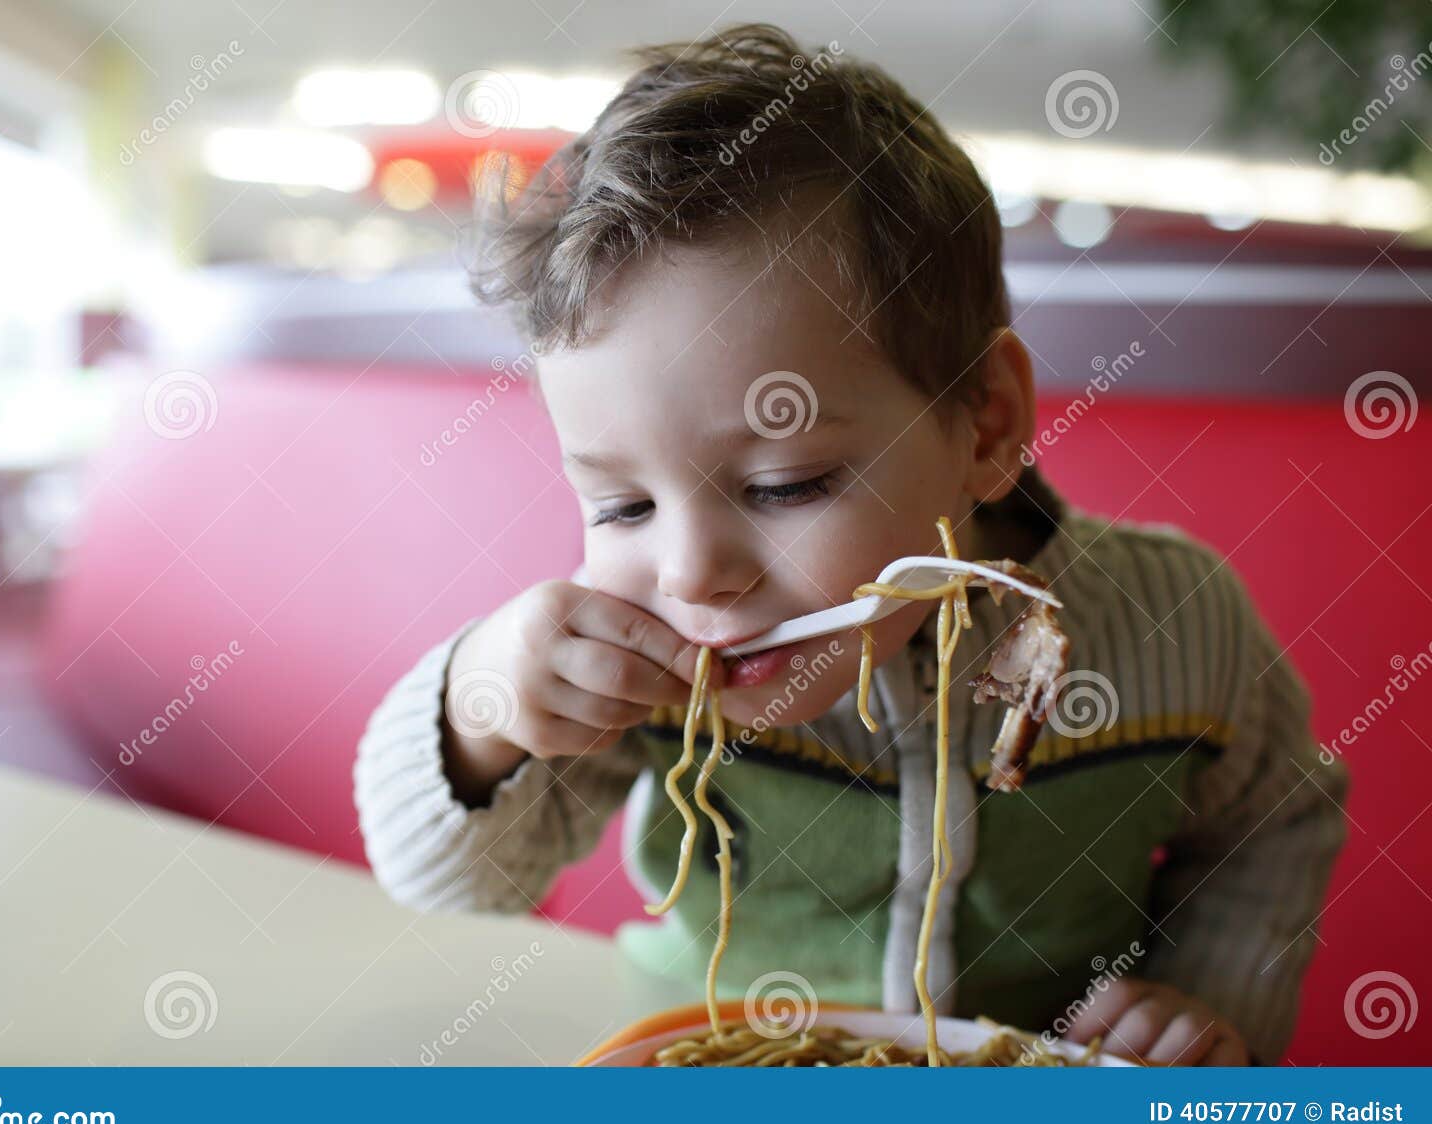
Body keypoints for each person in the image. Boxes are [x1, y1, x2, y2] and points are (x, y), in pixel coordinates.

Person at [354, 23, 1348, 1066]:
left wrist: (1198, 996)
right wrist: (485, 699)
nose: (692, 575)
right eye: (623, 507)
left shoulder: (1172, 625)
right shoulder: (634, 665)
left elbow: (1273, 821)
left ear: (984, 423)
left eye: (785, 483)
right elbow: (453, 880)